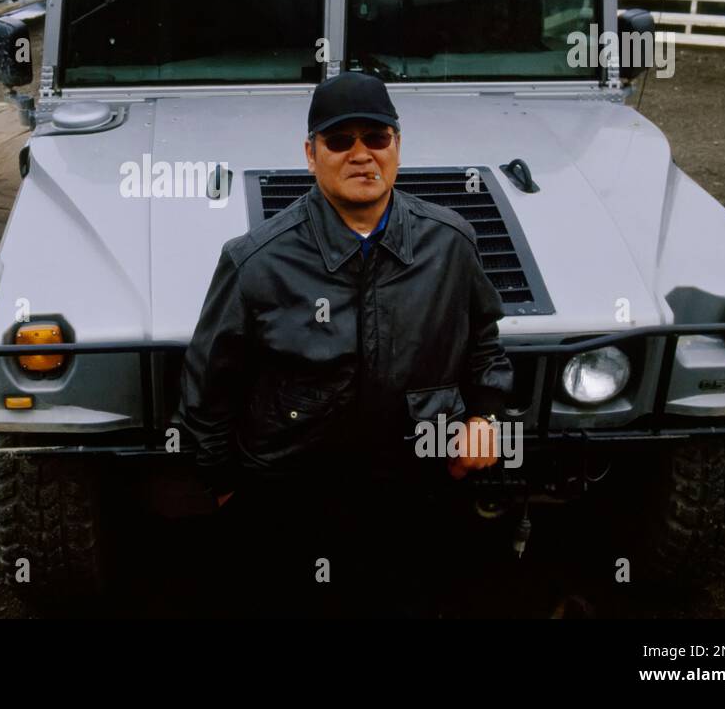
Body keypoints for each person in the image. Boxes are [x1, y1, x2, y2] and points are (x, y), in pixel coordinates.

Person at [177, 71, 514, 611]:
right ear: (311, 155)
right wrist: (225, 487)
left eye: (376, 138)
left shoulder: (450, 243)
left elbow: (484, 344)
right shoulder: (256, 262)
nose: (361, 155)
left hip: (415, 490)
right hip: (293, 497)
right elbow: (208, 390)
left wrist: (484, 417)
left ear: (397, 146)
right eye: (340, 141)